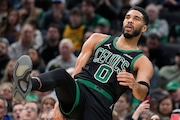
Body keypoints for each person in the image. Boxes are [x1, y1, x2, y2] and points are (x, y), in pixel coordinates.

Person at [13, 6, 153, 120]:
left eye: (136, 19)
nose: (130, 21)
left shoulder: (142, 61)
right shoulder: (98, 38)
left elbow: (141, 94)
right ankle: (27, 83)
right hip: (80, 90)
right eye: (127, 17)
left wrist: (134, 84)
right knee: (62, 74)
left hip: (102, 102)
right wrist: (61, 101)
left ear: (144, 28)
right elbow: (78, 69)